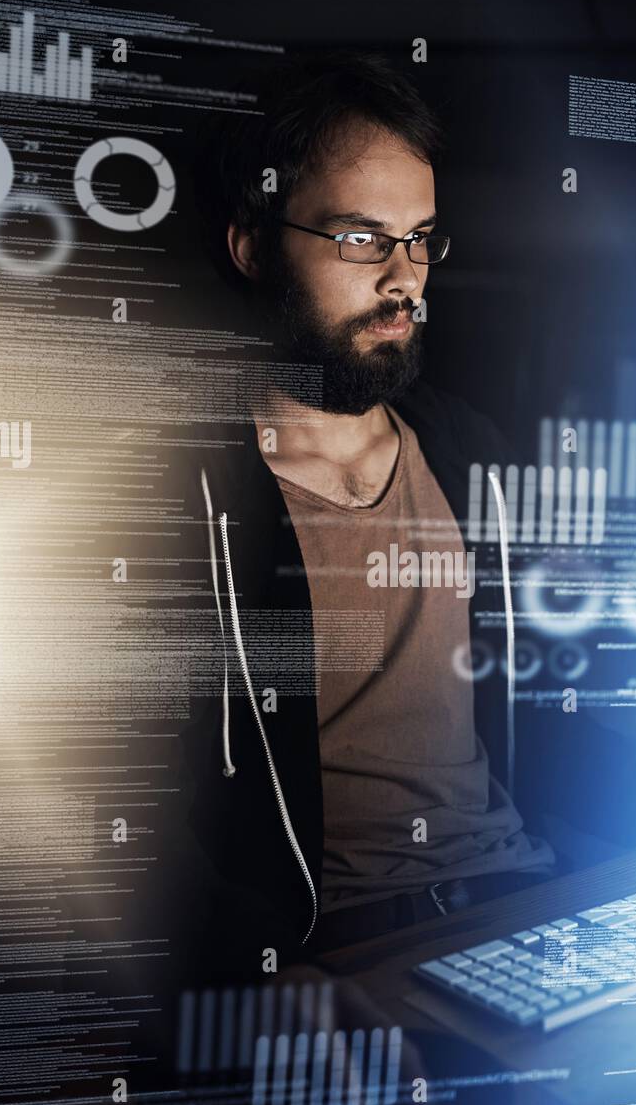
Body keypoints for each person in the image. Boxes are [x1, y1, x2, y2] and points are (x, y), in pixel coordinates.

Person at [168, 51, 559, 991]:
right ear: (253, 245)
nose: (404, 278)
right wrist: (250, 976)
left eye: (421, 239)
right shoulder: (180, 501)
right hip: (332, 947)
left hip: (525, 895)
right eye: (359, 240)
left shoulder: (473, 455)